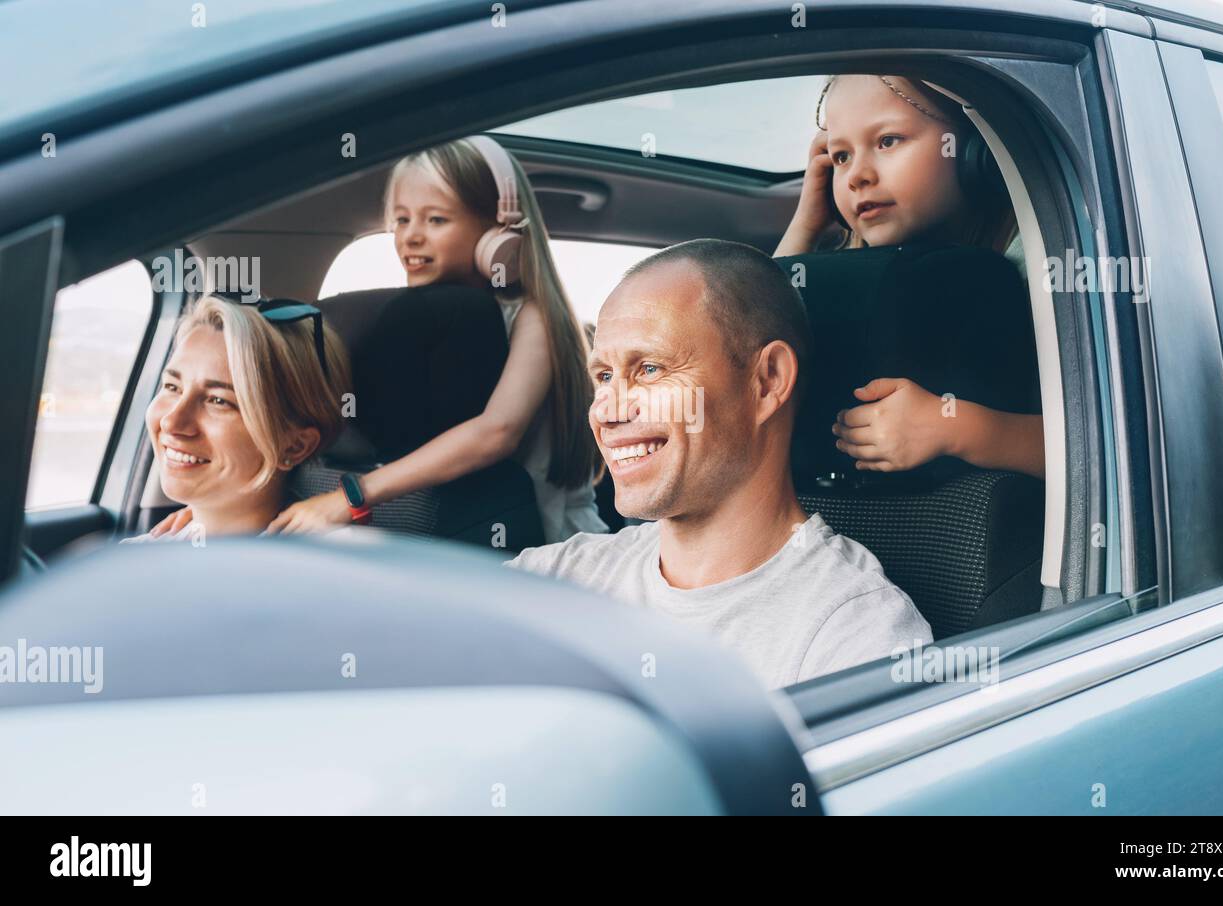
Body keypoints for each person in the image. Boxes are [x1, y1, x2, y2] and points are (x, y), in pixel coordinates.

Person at [506, 239, 931, 690]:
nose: (607, 411)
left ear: (767, 381)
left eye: (649, 369)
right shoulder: (560, 576)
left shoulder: (852, 633)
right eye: (605, 376)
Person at [270, 136, 606, 542]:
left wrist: (352, 496)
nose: (410, 237)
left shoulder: (531, 314)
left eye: (435, 220)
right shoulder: (424, 329)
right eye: (401, 220)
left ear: (500, 234)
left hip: (555, 543)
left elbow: (496, 432)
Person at [774, 74, 1044, 479]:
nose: (856, 175)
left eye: (887, 141)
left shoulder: (1037, 263)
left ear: (977, 151)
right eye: (841, 156)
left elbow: (1105, 445)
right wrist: (805, 224)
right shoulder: (863, 284)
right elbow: (753, 326)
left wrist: (956, 427)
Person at [128, 295, 351, 542]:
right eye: (172, 386)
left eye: (218, 400)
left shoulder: (322, 572)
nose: (171, 422)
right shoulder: (132, 557)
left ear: (294, 445)